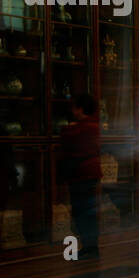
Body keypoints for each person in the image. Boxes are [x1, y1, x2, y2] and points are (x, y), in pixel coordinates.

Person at [60, 93, 101, 259]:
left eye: (75, 107)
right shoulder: (94, 125)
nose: (72, 110)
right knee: (87, 211)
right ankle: (90, 247)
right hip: (90, 172)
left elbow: (67, 137)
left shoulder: (82, 127)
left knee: (82, 212)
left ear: (80, 109)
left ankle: (89, 247)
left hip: (81, 173)